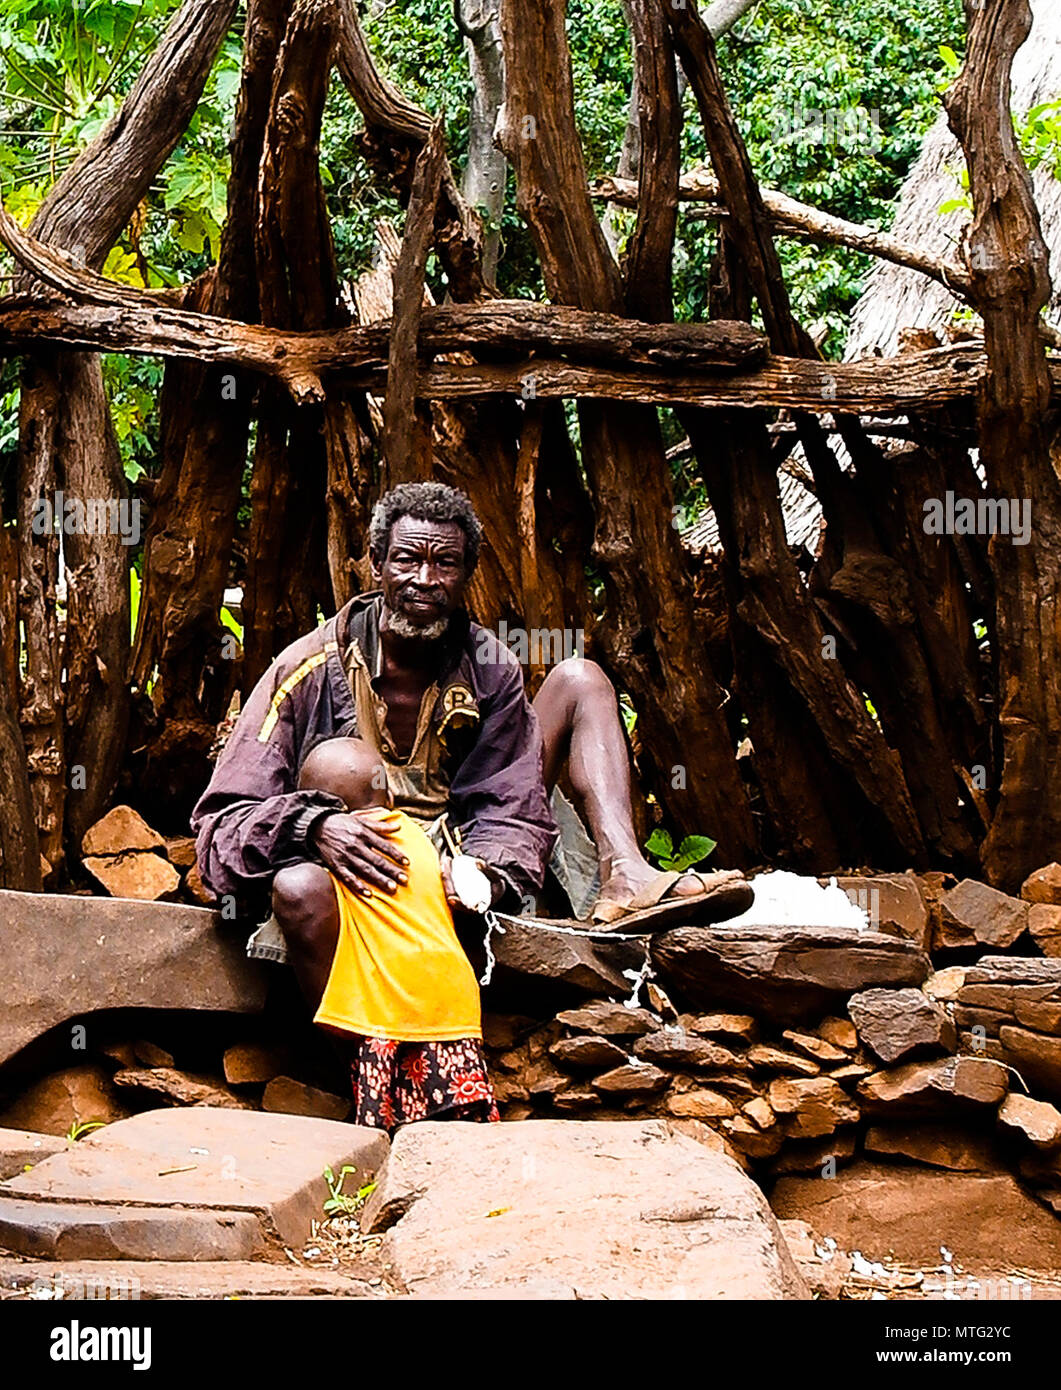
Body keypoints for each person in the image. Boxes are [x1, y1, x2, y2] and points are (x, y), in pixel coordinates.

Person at [191, 482, 752, 1102]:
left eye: (445, 562)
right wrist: (316, 829)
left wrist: (485, 871)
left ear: (468, 575)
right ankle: (372, 1077)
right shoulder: (307, 668)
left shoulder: (491, 669)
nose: (425, 579)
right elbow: (222, 824)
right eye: (407, 559)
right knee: (303, 872)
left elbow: (512, 804)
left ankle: (626, 874)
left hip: (452, 854)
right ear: (375, 565)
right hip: (353, 861)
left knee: (580, 677)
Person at [295, 735, 497, 1131]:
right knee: (461, 1117)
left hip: (393, 1009)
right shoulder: (419, 839)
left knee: (389, 1125)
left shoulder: (344, 849)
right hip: (453, 1000)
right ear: (387, 794)